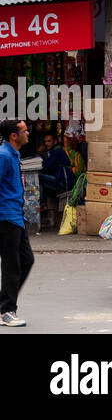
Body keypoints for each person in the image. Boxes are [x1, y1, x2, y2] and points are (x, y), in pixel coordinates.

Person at [0, 119, 33, 326]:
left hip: (16, 216)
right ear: (14, 135)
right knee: (12, 265)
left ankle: (4, 303)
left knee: (26, 260)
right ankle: (6, 311)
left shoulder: (13, 154)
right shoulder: (3, 156)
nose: (28, 133)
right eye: (24, 130)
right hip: (5, 217)